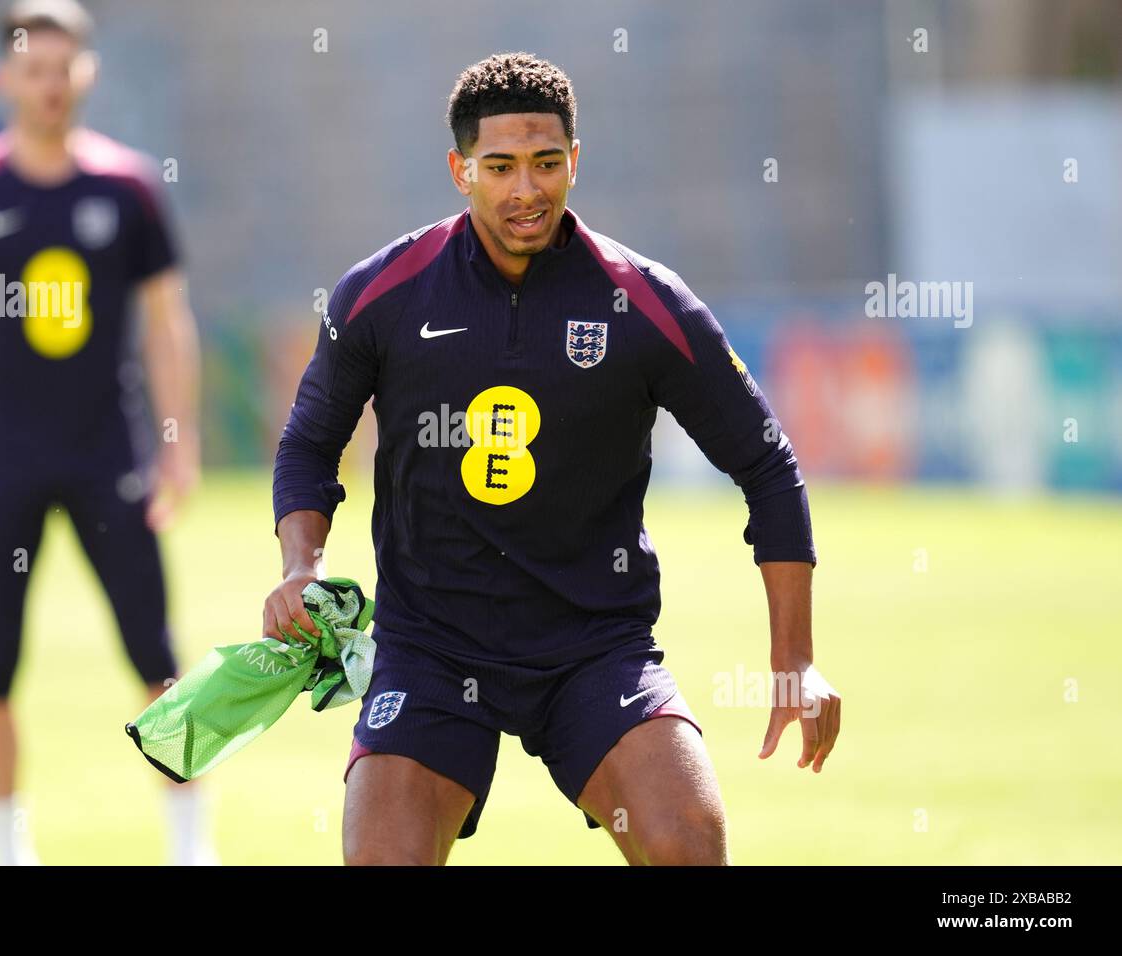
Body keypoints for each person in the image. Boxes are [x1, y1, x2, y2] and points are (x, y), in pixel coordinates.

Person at [266, 52, 840, 865]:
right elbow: (309, 442)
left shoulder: (644, 301)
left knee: (689, 846)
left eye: (545, 163)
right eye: (499, 167)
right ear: (460, 169)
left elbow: (768, 466)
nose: (525, 190)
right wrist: (302, 563)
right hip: (430, 647)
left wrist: (797, 660)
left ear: (575, 159)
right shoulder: (385, 290)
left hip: (593, 646)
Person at [0, 0, 212, 865]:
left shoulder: (126, 187)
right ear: (4, 78)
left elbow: (168, 320)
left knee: (157, 654)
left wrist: (179, 438)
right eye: (34, 69)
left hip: (108, 456)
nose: (50, 86)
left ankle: (190, 845)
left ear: (86, 74)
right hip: (2, 460)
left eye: (65, 69)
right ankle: (7, 855)